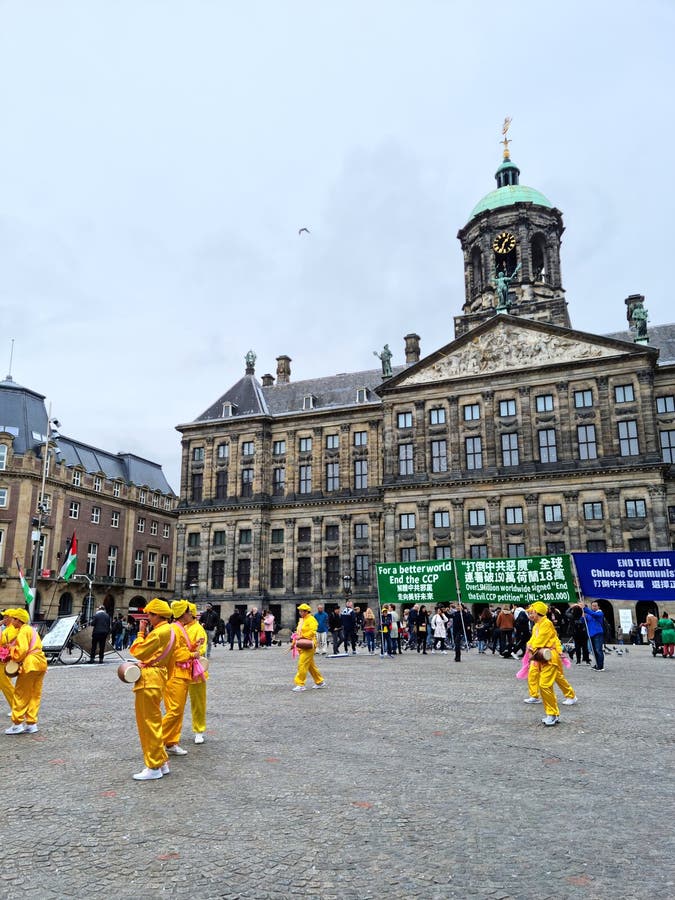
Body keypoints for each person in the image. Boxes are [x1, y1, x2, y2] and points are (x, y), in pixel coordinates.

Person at [129, 598, 177, 780]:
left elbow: (138, 651)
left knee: (147, 723)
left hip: (149, 679)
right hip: (160, 676)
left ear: (158, 615)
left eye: (149, 614)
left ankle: (153, 766)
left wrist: (141, 633)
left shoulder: (158, 633)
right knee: (154, 720)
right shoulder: (171, 630)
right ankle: (162, 762)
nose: (147, 618)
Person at [162, 599, 206, 758]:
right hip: (175, 674)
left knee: (177, 711)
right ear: (183, 614)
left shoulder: (180, 628)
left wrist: (194, 646)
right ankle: (157, 739)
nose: (191, 614)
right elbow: (175, 652)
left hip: (182, 673)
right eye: (189, 612)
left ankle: (171, 742)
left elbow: (182, 647)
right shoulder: (175, 628)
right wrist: (192, 653)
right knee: (174, 710)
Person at [524, 601, 577, 726]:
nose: (530, 615)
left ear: (538, 612)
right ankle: (552, 713)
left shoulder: (546, 623)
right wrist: (529, 646)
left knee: (545, 685)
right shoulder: (537, 625)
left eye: (532, 612)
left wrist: (531, 648)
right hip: (541, 658)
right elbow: (533, 640)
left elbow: (540, 640)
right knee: (545, 683)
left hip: (549, 657)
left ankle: (553, 713)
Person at [3, 608, 48, 734]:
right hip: (41, 663)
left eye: (13, 619)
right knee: (35, 694)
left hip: (30, 664)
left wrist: (11, 650)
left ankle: (17, 724)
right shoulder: (31, 630)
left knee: (21, 693)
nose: (12, 622)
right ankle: (31, 723)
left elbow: (20, 652)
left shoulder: (23, 631)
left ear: (18, 620)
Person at [186, 602, 209, 743]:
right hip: (179, 670)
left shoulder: (198, 629)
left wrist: (189, 653)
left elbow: (201, 649)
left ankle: (199, 730)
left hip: (195, 670)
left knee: (198, 702)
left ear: (190, 614)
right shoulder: (179, 627)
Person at [291, 603, 325, 692]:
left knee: (302, 664)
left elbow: (312, 632)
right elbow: (298, 633)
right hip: (302, 645)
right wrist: (294, 643)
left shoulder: (311, 620)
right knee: (310, 665)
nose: (300, 612)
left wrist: (301, 637)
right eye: (299, 611)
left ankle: (300, 684)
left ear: (306, 612)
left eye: (301, 611)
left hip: (309, 645)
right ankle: (319, 681)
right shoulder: (301, 620)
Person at [579, 600, 606, 671]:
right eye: (593, 606)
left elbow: (594, 615)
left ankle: (601, 666)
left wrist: (585, 608)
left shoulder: (600, 613)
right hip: (591, 634)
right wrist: (583, 616)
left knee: (598, 650)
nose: (594, 607)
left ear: (598, 607)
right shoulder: (589, 614)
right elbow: (582, 621)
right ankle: (597, 664)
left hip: (598, 633)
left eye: (595, 606)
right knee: (594, 651)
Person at [0, 608, 17, 713]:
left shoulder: (12, 629)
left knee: (6, 685)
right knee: (4, 684)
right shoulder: (7, 628)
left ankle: (17, 707)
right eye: (4, 616)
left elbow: (4, 643)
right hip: (3, 658)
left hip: (4, 660)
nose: (4, 619)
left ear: (11, 618)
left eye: (6, 617)